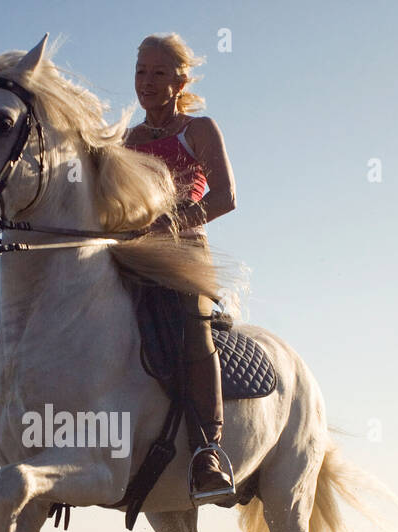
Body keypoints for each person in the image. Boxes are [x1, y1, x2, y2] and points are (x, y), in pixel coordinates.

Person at [124, 33, 238, 502]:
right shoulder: (128, 139)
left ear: (179, 80)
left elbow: (225, 199)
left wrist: (165, 225)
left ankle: (208, 453)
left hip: (186, 252)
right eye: (140, 72)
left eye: (157, 73)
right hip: (132, 251)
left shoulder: (199, 129)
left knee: (195, 329)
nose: (146, 83)